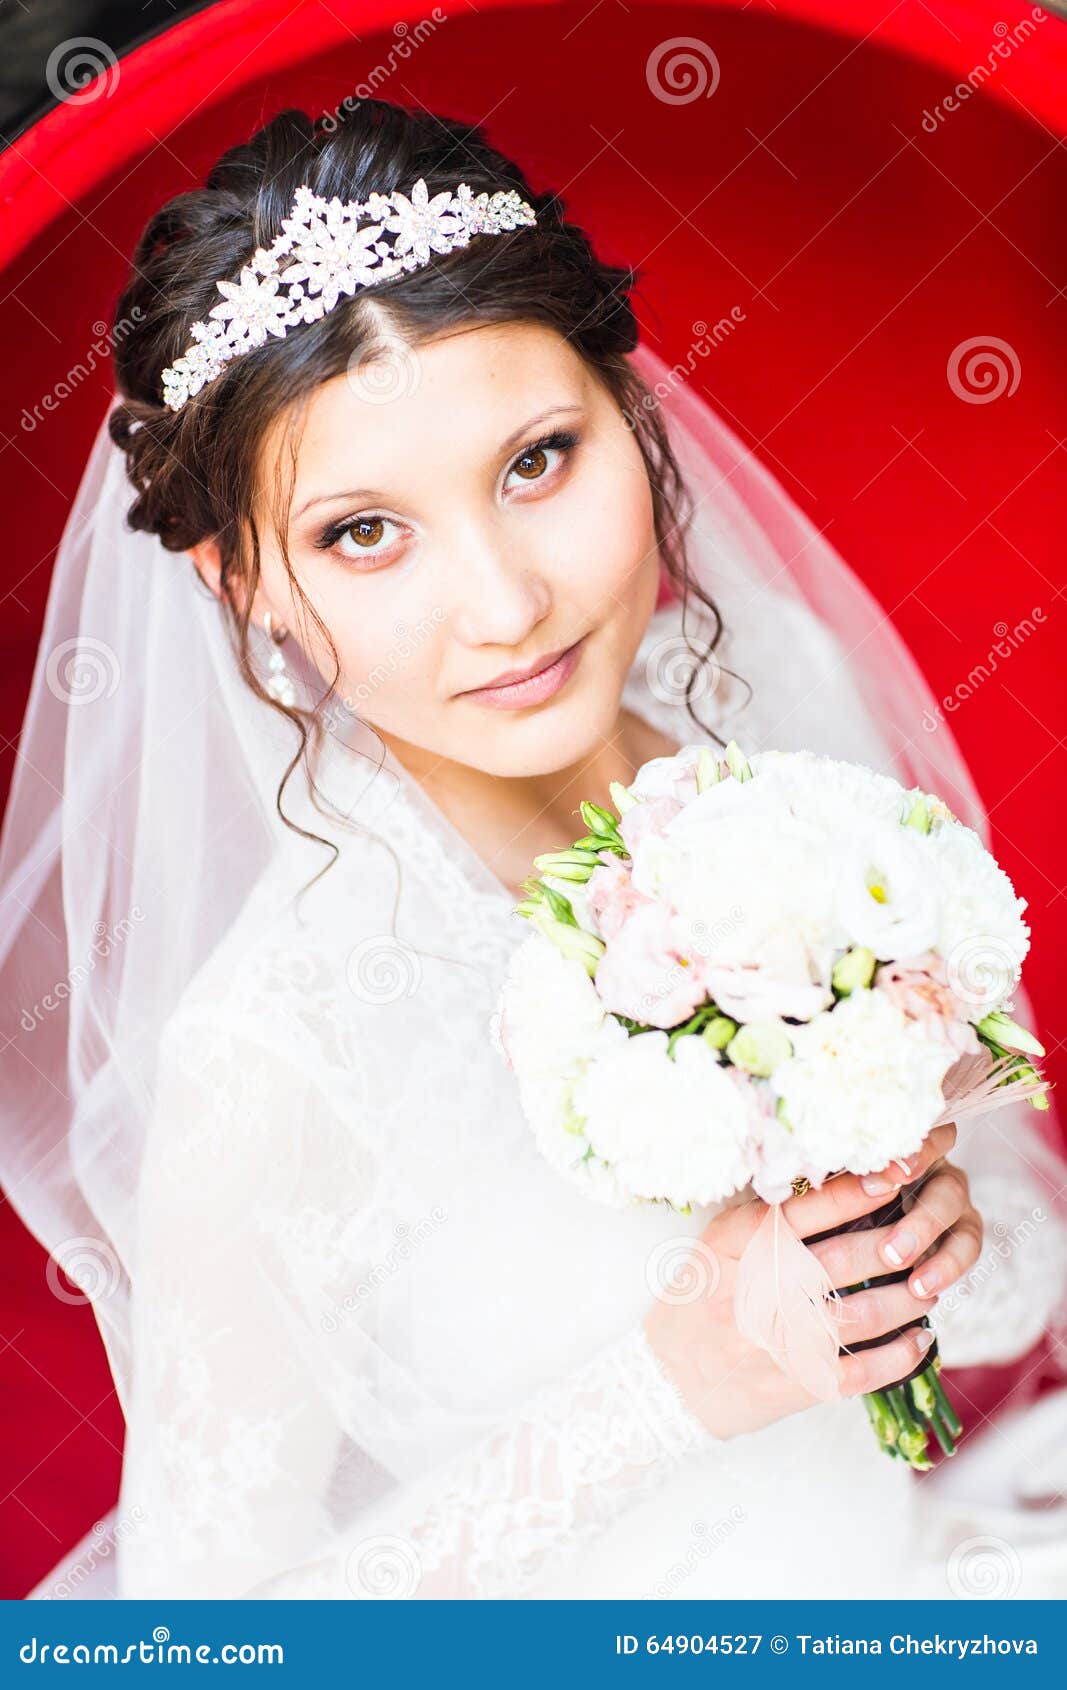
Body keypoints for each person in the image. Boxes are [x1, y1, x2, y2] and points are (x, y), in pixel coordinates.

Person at [2, 100, 1066, 1603]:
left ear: (627, 411)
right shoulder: (274, 1046)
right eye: (366, 533)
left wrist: (927, 1225)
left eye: (538, 459)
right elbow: (213, 1638)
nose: (504, 603)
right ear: (241, 578)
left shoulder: (787, 704)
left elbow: (1019, 1276)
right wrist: (667, 1387)